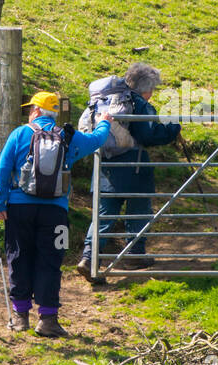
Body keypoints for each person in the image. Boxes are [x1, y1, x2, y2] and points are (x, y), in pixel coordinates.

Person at [0, 91, 113, 339]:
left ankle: (20, 316)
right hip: (56, 212)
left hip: (19, 208)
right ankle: (48, 319)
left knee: (18, 256)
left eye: (30, 109)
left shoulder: (19, 134)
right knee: (51, 260)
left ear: (36, 111)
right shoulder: (70, 137)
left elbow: (3, 170)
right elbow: (97, 140)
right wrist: (105, 121)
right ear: (54, 114)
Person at [77, 63, 182, 282]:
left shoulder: (105, 102)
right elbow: (150, 134)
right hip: (134, 169)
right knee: (139, 210)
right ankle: (134, 254)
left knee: (104, 214)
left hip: (104, 167)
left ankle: (89, 257)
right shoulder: (139, 104)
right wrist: (173, 127)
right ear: (148, 88)